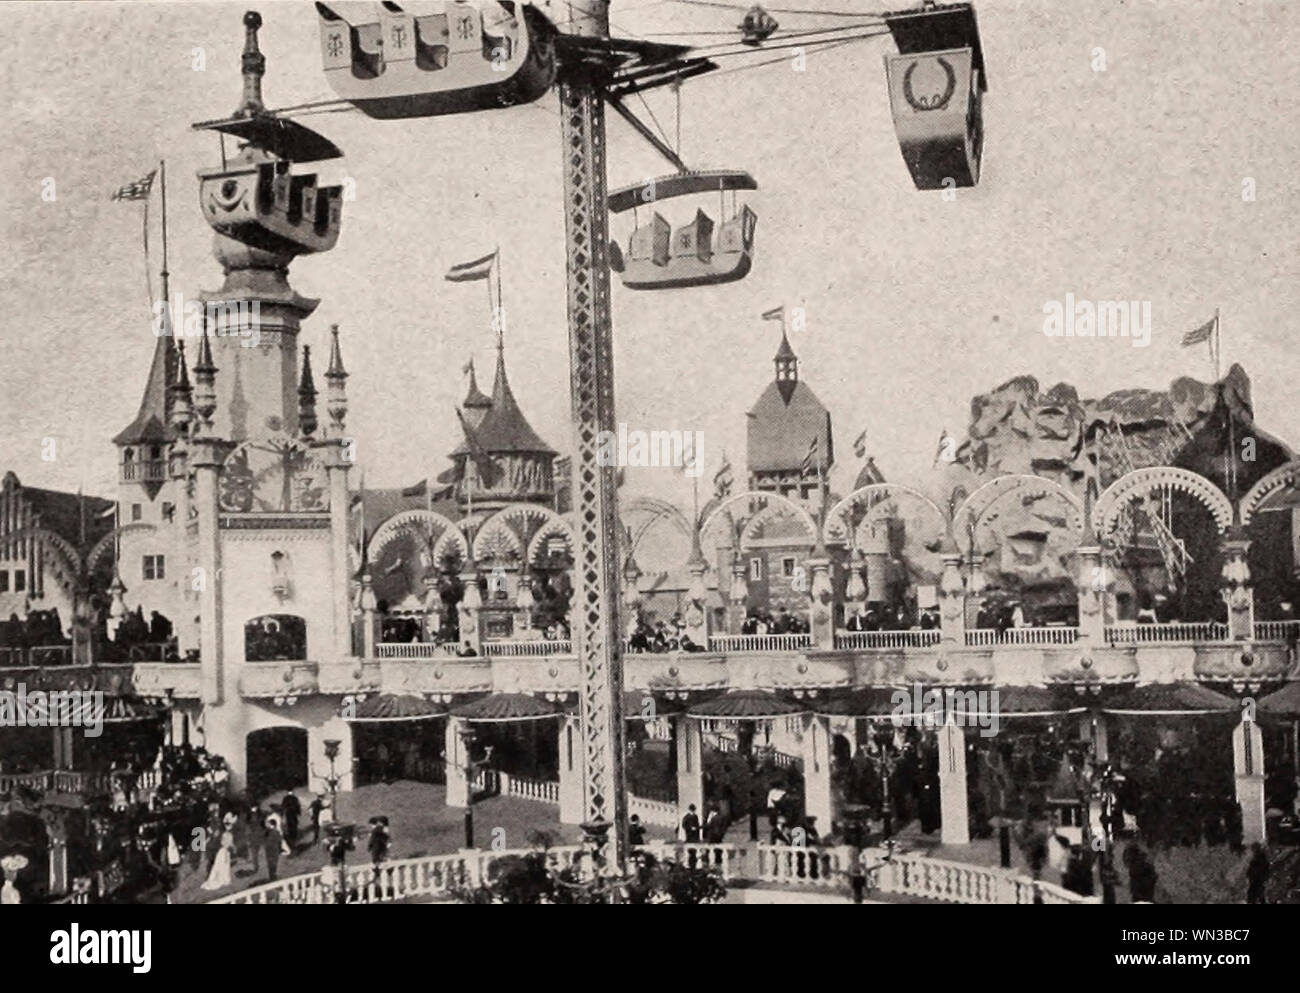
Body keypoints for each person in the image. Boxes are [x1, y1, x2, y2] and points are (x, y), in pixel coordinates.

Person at [201, 814, 236, 891]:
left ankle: (225, 879)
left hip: (225, 851)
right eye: (228, 826)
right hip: (223, 851)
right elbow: (223, 842)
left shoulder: (228, 834)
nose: (229, 827)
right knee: (220, 864)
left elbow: (230, 842)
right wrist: (227, 845)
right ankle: (219, 879)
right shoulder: (223, 834)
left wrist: (231, 847)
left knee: (225, 865)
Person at [263, 813, 285, 882]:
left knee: (270, 863)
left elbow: (265, 840)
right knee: (274, 862)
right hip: (274, 850)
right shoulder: (276, 832)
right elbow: (279, 841)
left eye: (269, 823)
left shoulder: (268, 832)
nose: (267, 825)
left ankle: (271, 875)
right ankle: (273, 875)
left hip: (269, 850)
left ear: (272, 825)